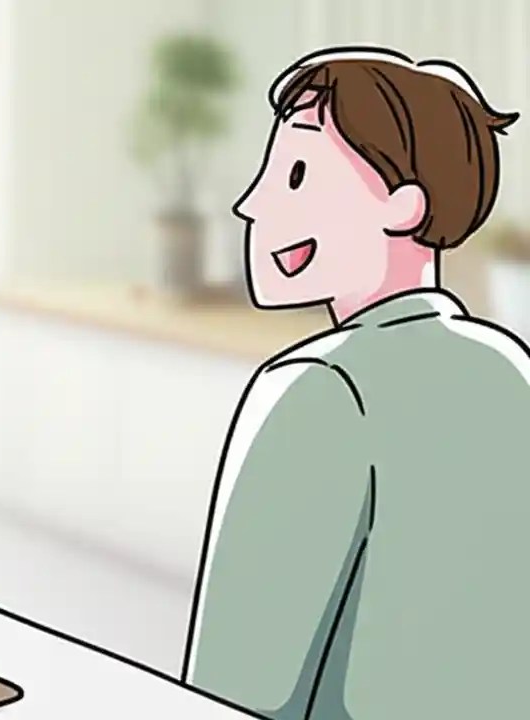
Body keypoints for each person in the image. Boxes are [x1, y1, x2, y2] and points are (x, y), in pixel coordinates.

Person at [182, 47, 530, 717]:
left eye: (297, 176)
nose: (252, 203)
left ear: (404, 205)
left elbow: (232, 688)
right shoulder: (511, 370)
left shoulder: (319, 386)